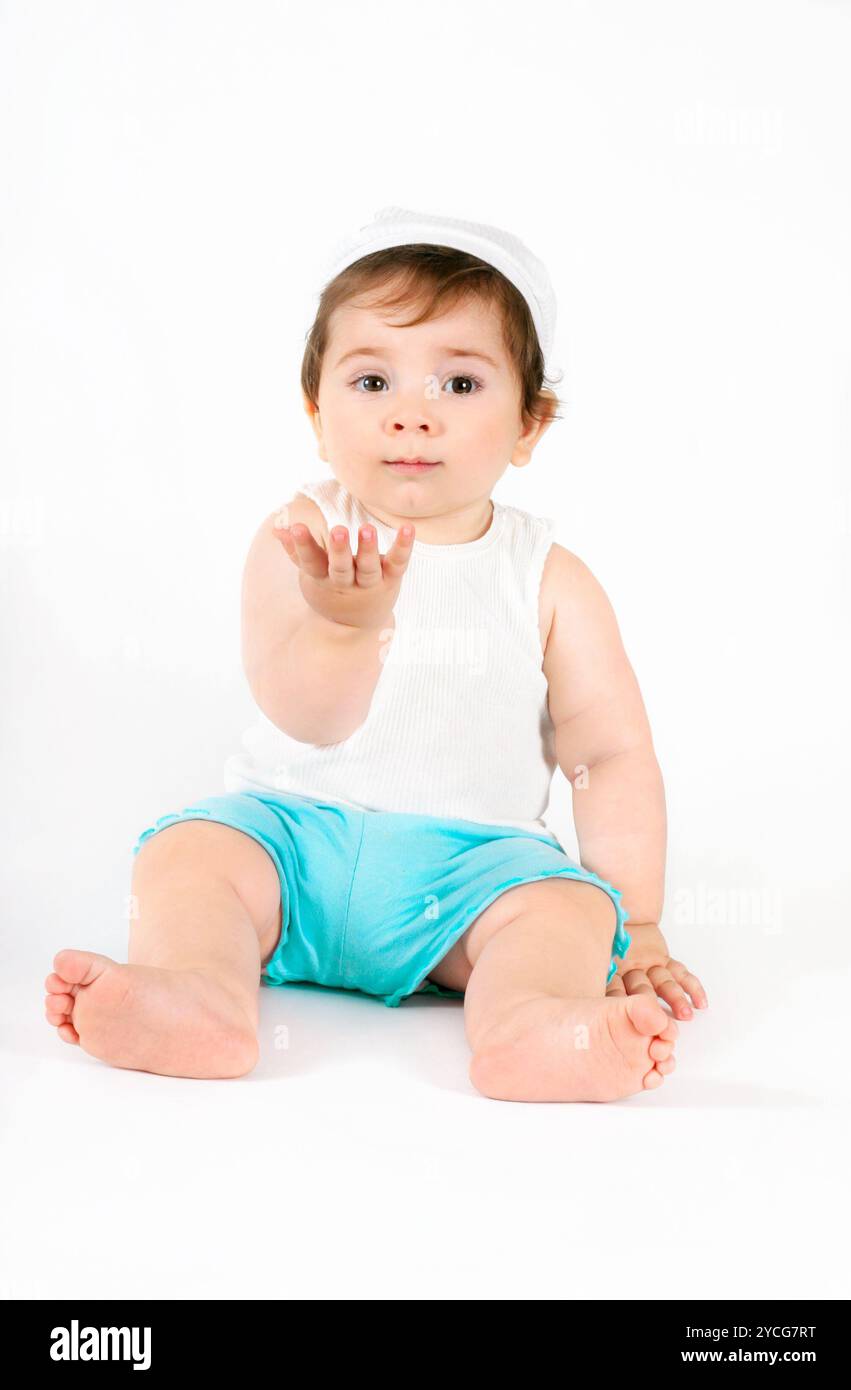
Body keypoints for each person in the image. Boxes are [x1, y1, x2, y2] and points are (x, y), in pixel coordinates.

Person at [44, 207, 706, 1100]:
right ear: (317, 416)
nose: (411, 418)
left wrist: (644, 921)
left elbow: (609, 754)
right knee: (190, 855)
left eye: (460, 385)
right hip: (291, 842)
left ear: (529, 426)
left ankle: (532, 1027)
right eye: (371, 383)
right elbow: (305, 715)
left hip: (475, 875)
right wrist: (343, 625)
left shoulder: (548, 577)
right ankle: (198, 997)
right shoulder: (301, 537)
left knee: (564, 910)